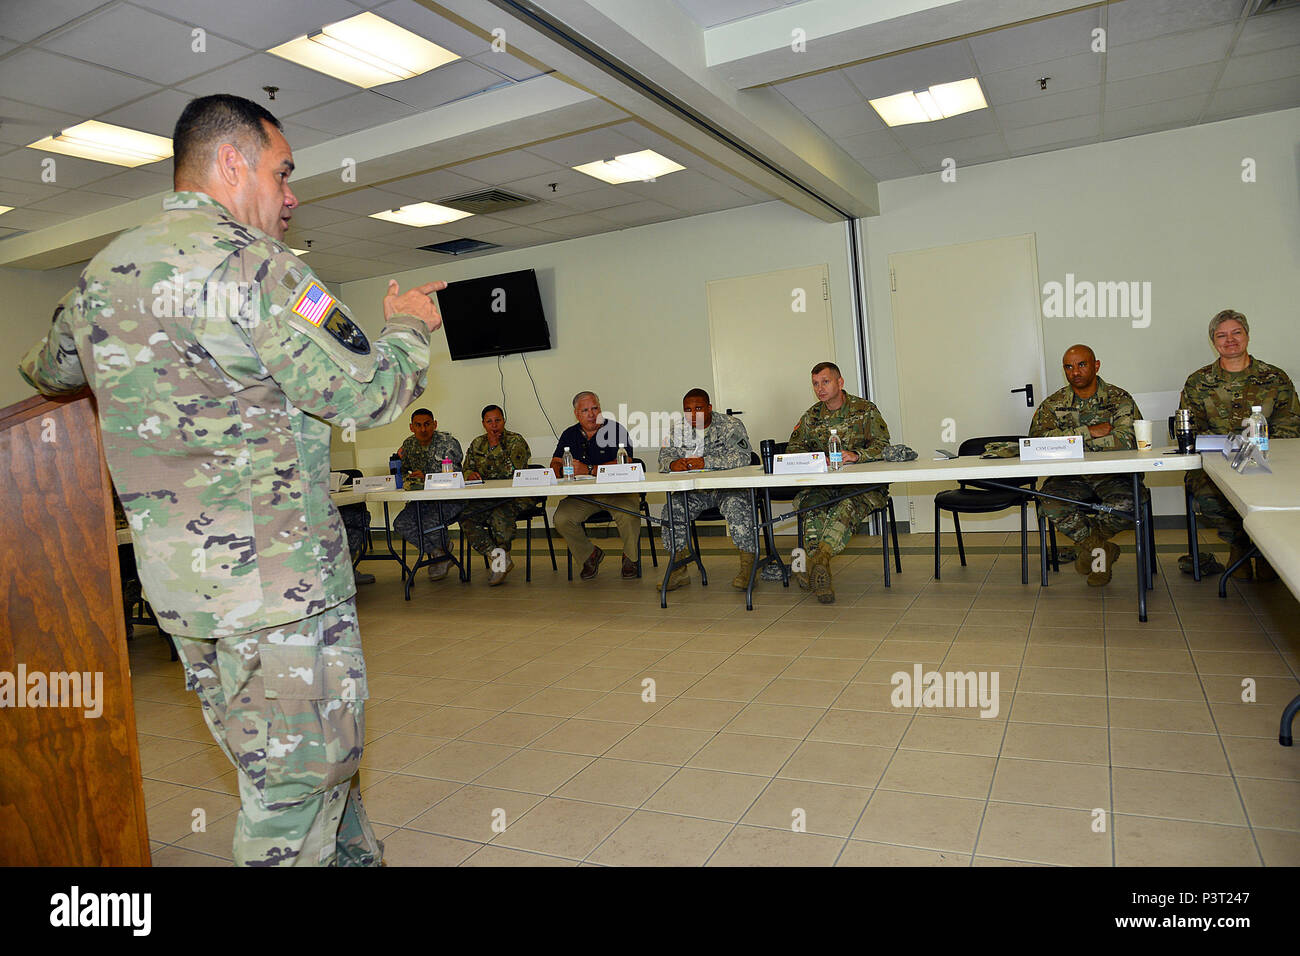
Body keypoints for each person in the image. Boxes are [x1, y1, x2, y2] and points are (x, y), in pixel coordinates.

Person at [18, 93, 444, 867]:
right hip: (281, 598)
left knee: (297, 765)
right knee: (292, 797)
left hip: (187, 598)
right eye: (283, 174)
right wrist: (410, 325)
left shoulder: (102, 275)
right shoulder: (262, 270)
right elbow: (368, 392)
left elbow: (48, 369)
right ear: (232, 161)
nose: (291, 195)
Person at [1179, 310, 1300, 580]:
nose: (1229, 340)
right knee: (1209, 500)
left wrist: (1258, 449)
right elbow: (1190, 430)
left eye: (1236, 333)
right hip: (1215, 465)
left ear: (1247, 335)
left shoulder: (1274, 378)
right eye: (1222, 335)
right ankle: (1243, 546)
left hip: (1269, 462)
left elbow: (1291, 423)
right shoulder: (1198, 382)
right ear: (1213, 341)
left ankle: (1267, 549)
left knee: (1282, 495)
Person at [1029, 344, 1144, 587]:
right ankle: (1101, 550)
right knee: (1049, 502)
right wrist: (1088, 432)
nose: (1075, 372)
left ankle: (1091, 548)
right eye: (1069, 367)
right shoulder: (1053, 404)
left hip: (1113, 475)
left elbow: (1127, 441)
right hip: (1069, 476)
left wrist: (1066, 441)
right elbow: (1037, 444)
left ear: (1096, 366)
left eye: (1082, 365)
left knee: (1129, 502)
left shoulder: (1119, 399)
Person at [787, 362, 892, 604]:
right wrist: (815, 459)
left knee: (845, 506)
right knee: (812, 508)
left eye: (825, 382)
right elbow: (793, 449)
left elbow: (884, 446)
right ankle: (820, 568)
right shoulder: (811, 417)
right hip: (823, 485)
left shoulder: (864, 410)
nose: (820, 389)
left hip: (861, 485)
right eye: (815, 384)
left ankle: (817, 562)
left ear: (840, 382)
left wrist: (857, 456)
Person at [658, 388, 757, 591]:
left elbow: (744, 457)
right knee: (672, 509)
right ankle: (678, 569)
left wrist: (705, 461)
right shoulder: (678, 430)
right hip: (696, 492)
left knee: (736, 506)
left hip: (728, 488)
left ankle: (749, 568)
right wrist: (672, 464)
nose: (693, 414)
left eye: (699, 408)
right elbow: (663, 458)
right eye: (688, 410)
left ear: (710, 408)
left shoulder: (730, 425)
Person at [549, 391, 641, 579]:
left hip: (617, 493)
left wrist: (589, 469)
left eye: (595, 408)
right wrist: (562, 468)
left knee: (628, 514)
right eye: (585, 410)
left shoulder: (615, 430)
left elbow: (626, 462)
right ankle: (589, 555)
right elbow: (555, 462)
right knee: (561, 518)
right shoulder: (570, 434)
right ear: (576, 414)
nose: (591, 414)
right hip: (584, 496)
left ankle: (631, 558)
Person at [459, 404, 534, 585]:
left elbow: (513, 472)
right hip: (486, 497)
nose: (494, 425)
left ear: (504, 421)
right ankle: (497, 556)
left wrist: (495, 447)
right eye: (489, 421)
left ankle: (502, 559)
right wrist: (469, 474)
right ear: (483, 424)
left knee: (499, 514)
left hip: (515, 496)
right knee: (465, 516)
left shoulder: (516, 441)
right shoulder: (477, 443)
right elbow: (466, 467)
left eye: (498, 420)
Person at [393, 407, 463, 580]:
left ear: (435, 424)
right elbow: (402, 474)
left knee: (428, 521)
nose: (423, 429)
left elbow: (454, 476)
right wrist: (398, 467)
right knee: (401, 523)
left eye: (427, 424)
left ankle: (443, 552)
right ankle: (439, 553)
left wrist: (426, 478)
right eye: (418, 425)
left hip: (448, 500)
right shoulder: (408, 444)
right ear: (411, 427)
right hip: (421, 500)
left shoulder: (448, 443)